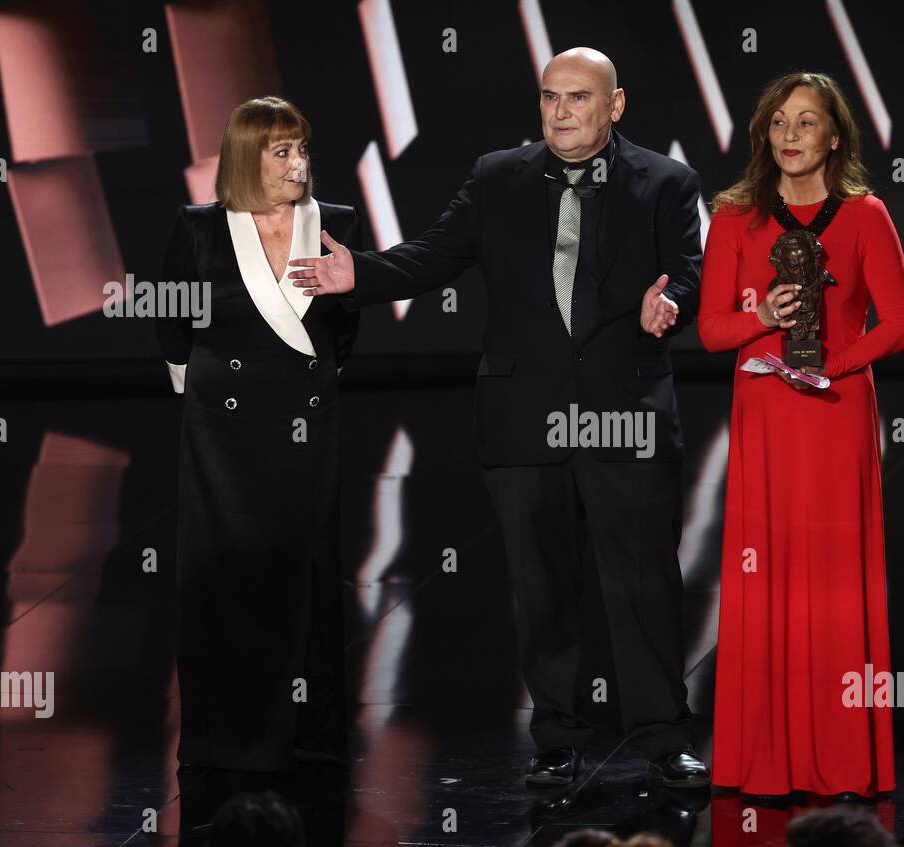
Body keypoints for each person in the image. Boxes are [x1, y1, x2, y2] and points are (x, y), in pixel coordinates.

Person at [288, 48, 708, 788]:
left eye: (578, 98)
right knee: (541, 586)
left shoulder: (665, 182)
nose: (560, 112)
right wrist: (362, 274)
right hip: (525, 416)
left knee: (642, 582)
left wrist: (672, 300)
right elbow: (433, 257)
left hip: (626, 414)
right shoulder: (497, 177)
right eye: (550, 97)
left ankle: (660, 736)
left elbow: (691, 268)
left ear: (615, 106)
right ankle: (558, 739)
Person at [698, 72, 904, 797]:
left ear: (834, 136)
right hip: (764, 415)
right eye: (778, 122)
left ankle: (843, 761)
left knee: (833, 579)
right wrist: (765, 318)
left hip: (835, 413)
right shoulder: (734, 217)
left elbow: (901, 322)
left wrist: (833, 366)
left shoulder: (866, 215)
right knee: (766, 575)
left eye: (806, 122)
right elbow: (711, 330)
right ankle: (765, 759)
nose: (790, 135)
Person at [156, 96, 362, 772]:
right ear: (249, 157)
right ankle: (225, 735)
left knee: (308, 570)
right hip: (222, 434)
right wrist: (208, 398)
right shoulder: (199, 230)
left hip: (310, 424)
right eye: (282, 152)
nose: (299, 163)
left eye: (303, 149)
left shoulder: (335, 224)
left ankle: (310, 734)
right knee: (224, 572)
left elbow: (343, 331)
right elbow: (171, 323)